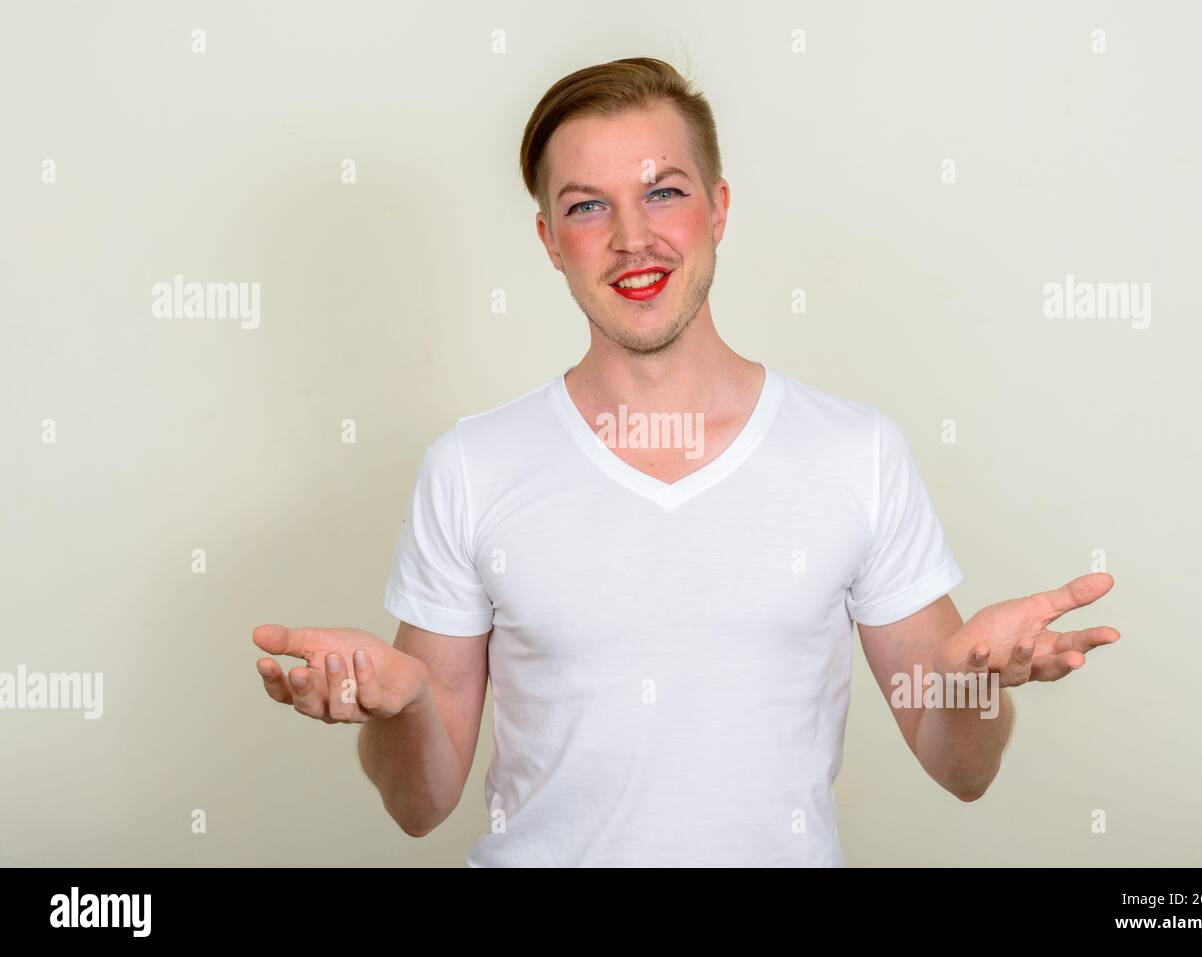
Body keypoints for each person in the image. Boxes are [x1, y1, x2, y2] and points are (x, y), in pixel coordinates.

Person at [252, 57, 1120, 867]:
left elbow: (960, 765)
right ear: (551, 238)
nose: (633, 238)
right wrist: (399, 708)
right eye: (587, 206)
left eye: (663, 192)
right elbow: (419, 802)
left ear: (719, 207)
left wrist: (975, 683)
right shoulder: (471, 467)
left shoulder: (856, 453)